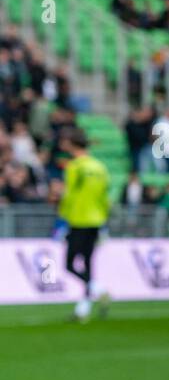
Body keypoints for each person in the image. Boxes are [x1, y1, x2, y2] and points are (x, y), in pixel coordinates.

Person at [57, 128, 112, 322]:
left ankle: (98, 289)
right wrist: (104, 220)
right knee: (88, 262)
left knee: (70, 264)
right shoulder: (100, 167)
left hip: (79, 220)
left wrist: (62, 218)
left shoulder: (75, 167)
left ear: (72, 145)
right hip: (97, 221)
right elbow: (105, 197)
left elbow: (69, 195)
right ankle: (84, 309)